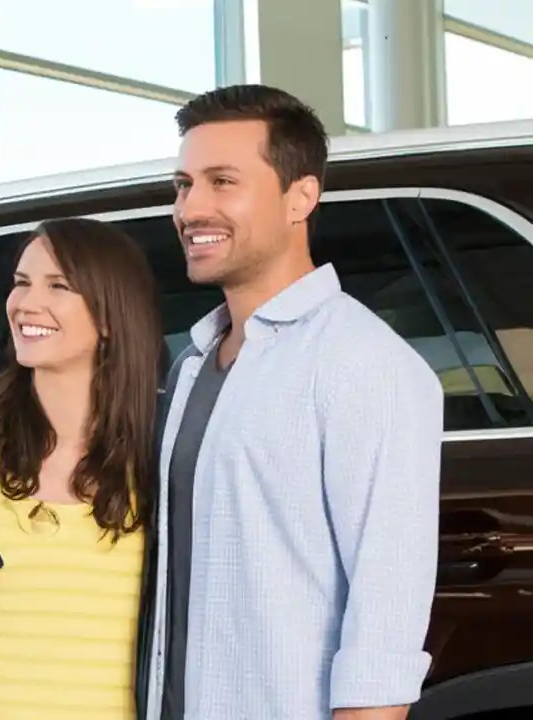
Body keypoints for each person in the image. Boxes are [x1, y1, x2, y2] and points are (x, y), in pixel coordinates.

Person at [148, 84, 443, 720]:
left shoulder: (364, 363)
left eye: (222, 181)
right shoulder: (194, 362)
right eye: (183, 184)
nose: (190, 207)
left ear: (300, 197)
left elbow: (386, 620)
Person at [0, 218, 166, 720]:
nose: (26, 303)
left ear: (110, 317)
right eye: (21, 283)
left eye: (58, 285)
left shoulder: (165, 448)